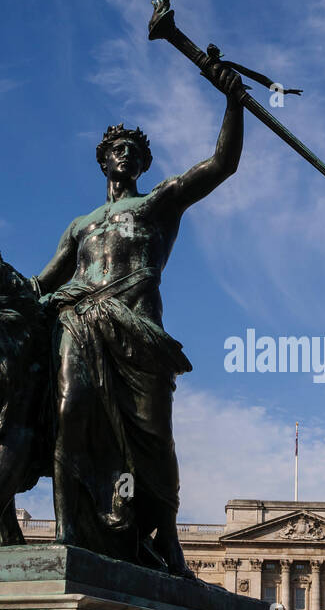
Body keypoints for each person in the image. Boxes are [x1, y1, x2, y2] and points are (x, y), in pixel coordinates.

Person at [32, 64, 245, 573]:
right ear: (104, 160)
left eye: (133, 150)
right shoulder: (79, 226)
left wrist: (233, 102)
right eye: (115, 149)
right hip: (80, 320)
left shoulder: (158, 204)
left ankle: (165, 534)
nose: (123, 155)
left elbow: (221, 164)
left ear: (143, 162)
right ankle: (68, 531)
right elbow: (42, 284)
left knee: (152, 437)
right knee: (70, 412)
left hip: (139, 335)